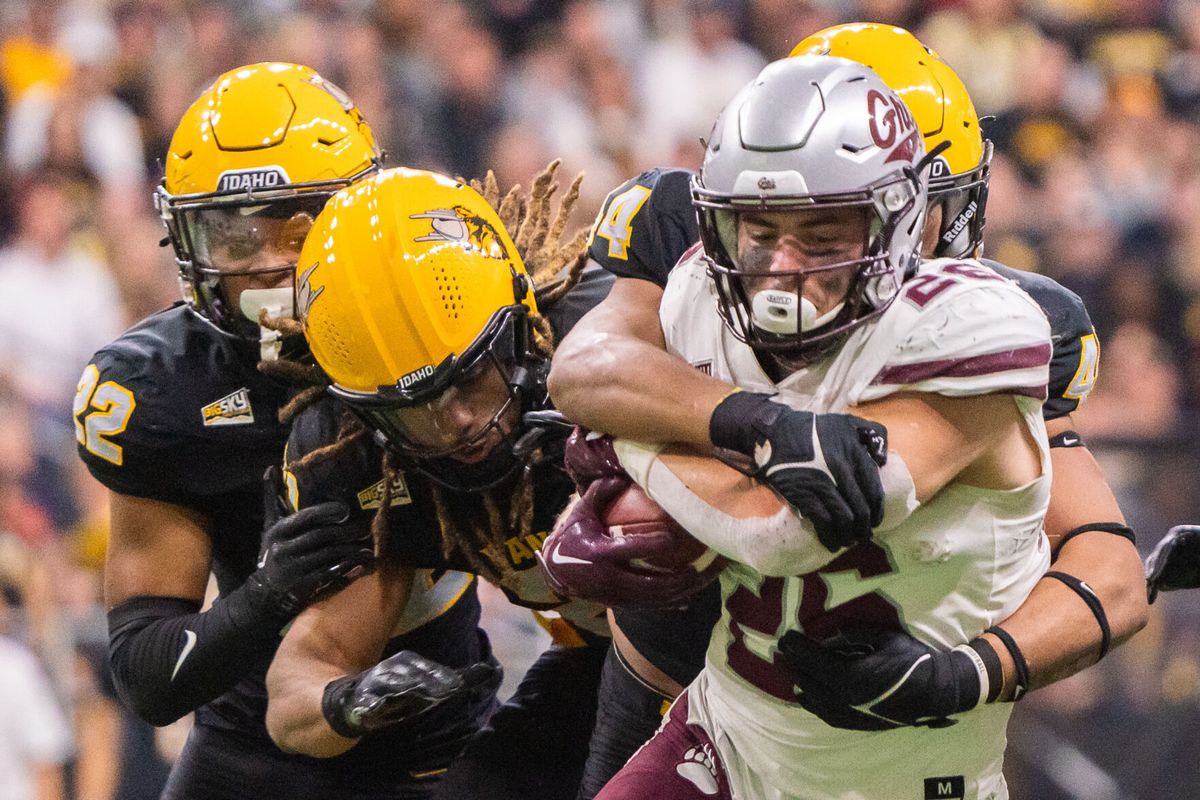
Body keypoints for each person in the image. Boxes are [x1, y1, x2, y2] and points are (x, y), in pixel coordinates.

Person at [546, 24, 1147, 798]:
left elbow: (1106, 566)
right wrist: (751, 423)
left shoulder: (984, 331)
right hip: (698, 688)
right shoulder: (693, 257)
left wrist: (969, 671)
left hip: (878, 747)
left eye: (830, 223)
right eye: (767, 226)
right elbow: (591, 369)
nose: (792, 261)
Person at [74, 62, 496, 800]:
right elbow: (145, 675)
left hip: (443, 735)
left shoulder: (448, 314)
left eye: (303, 229)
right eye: (237, 239)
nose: (273, 267)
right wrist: (268, 592)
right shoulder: (161, 393)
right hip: (253, 752)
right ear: (189, 241)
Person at [264, 164, 675, 800]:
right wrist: (348, 700)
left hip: (742, 633)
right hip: (603, 657)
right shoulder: (349, 452)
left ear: (523, 318)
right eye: (414, 408)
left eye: (470, 378)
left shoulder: (619, 338)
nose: (456, 422)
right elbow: (296, 690)